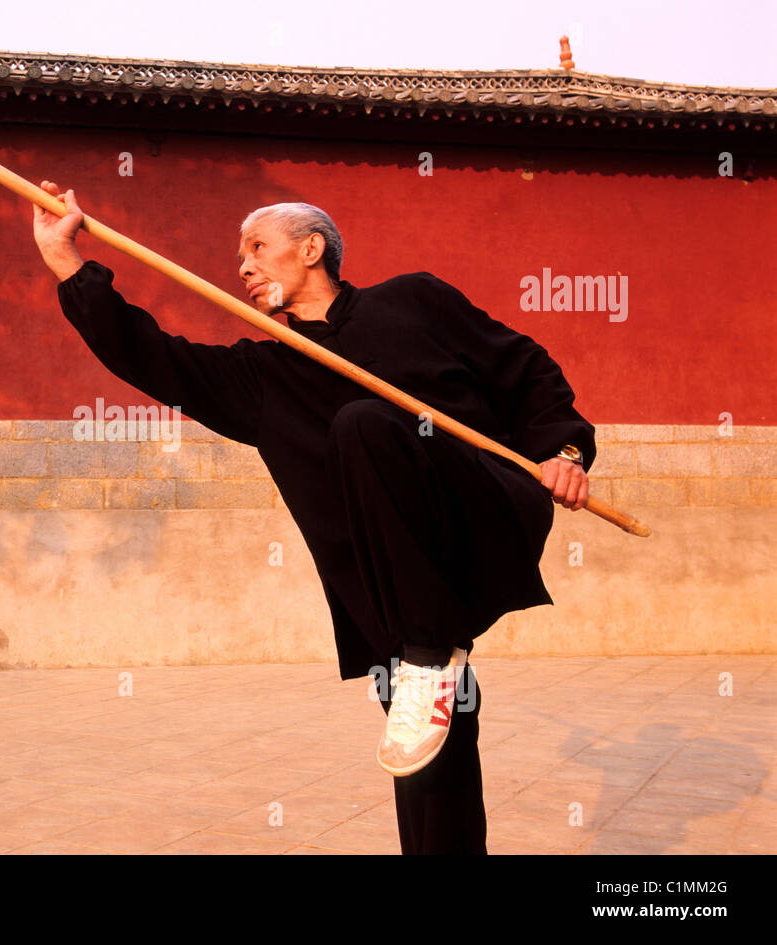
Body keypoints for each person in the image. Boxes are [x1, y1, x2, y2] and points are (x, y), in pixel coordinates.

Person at [32, 181, 596, 854]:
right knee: (425, 737)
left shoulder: (414, 300)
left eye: (257, 248)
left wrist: (563, 449)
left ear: (312, 248)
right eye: (239, 256)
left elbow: (525, 366)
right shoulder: (266, 374)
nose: (242, 266)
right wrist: (68, 263)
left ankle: (427, 650)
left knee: (361, 424)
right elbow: (159, 359)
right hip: (396, 580)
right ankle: (428, 668)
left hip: (479, 513)